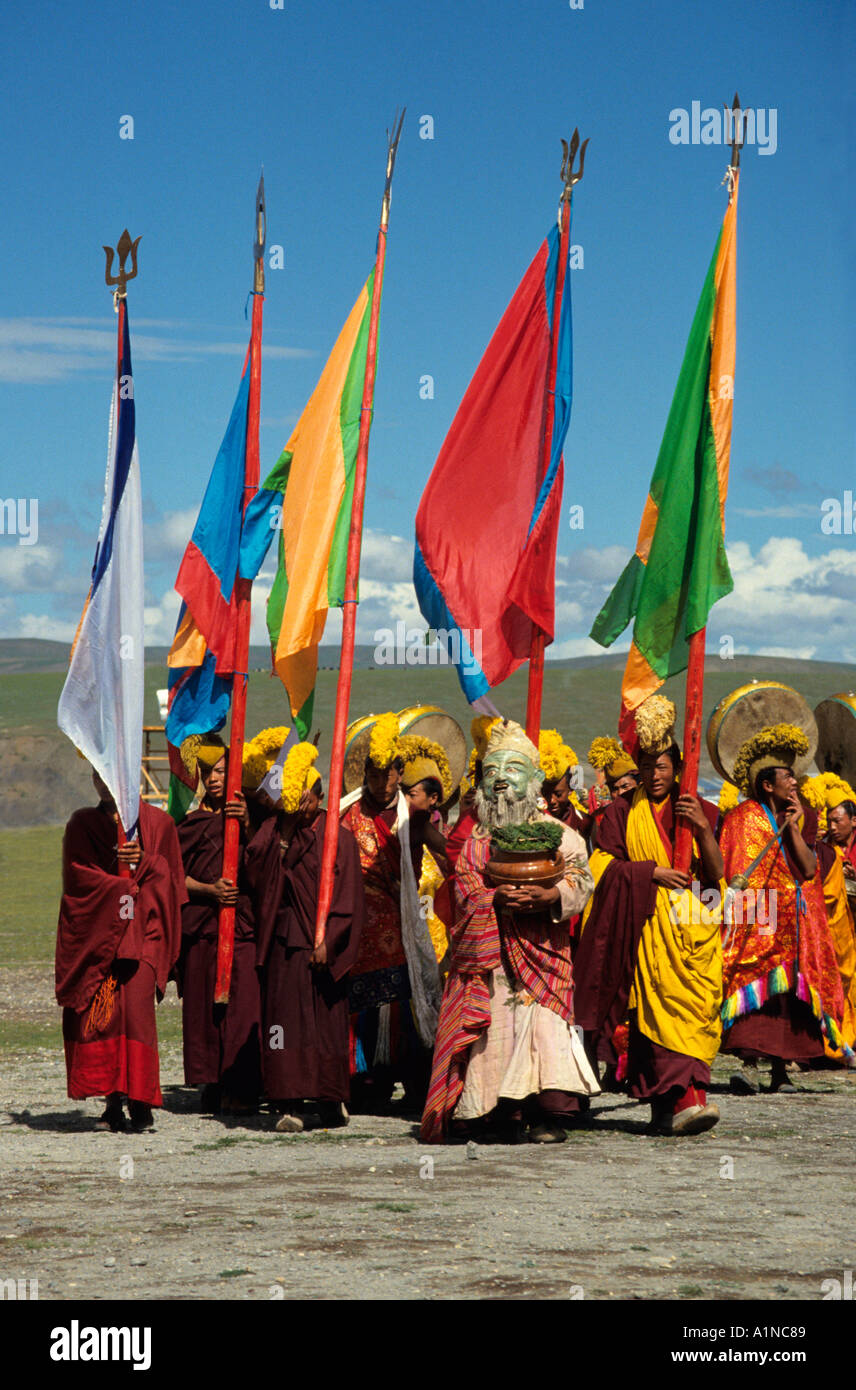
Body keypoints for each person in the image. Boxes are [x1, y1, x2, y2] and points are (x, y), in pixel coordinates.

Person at [421, 719, 598, 1145]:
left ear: (535, 780)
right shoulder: (475, 843)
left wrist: (550, 895)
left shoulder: (562, 835)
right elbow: (463, 888)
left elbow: (582, 879)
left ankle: (546, 1113)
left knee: (542, 1026)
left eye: (513, 770)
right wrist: (492, 901)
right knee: (496, 1029)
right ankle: (495, 1110)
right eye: (492, 771)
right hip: (491, 955)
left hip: (543, 950)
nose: (501, 780)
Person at [574, 696, 724, 1136]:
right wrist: (650, 873)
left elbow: (715, 877)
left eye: (662, 766)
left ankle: (680, 1099)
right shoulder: (621, 812)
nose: (654, 775)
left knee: (692, 1007)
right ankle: (680, 1100)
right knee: (654, 1012)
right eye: (647, 765)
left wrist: (699, 828)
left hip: (690, 928)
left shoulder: (697, 809)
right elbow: (600, 866)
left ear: (676, 767)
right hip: (644, 921)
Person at [243, 737, 367, 1132]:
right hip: (284, 944)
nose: (304, 804)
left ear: (319, 795)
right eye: (296, 797)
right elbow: (257, 877)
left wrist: (329, 940)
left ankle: (330, 1099)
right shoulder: (274, 830)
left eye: (309, 797)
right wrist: (283, 835)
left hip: (323, 946)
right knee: (282, 1024)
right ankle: (287, 1100)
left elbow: (348, 894)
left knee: (326, 1025)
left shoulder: (338, 838)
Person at [55, 770, 186, 1133]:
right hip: (100, 937)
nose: (102, 781)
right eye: (96, 774)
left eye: (111, 774)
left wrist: (143, 861)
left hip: (144, 935)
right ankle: (112, 1101)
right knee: (105, 1015)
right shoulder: (82, 823)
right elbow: (78, 878)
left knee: (137, 1016)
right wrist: (121, 885)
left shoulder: (159, 823)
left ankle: (142, 1102)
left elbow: (169, 880)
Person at [719, 727, 847, 1093]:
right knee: (757, 995)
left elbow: (807, 870)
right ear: (767, 786)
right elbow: (740, 868)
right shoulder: (743, 818)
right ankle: (749, 1066)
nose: (794, 781)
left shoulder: (797, 817)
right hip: (758, 921)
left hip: (793, 924)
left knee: (786, 1001)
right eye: (787, 776)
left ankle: (779, 1071)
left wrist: (791, 826)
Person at [341, 712, 443, 1112]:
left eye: (388, 773)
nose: (380, 781)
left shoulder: (413, 818)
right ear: (364, 772)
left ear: (400, 773)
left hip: (402, 923)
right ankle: (365, 1082)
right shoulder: (347, 814)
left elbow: (448, 853)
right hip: (358, 927)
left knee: (407, 1002)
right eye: (373, 772)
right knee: (361, 1006)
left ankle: (416, 1082)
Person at [175, 734, 263, 1115]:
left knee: (244, 1007)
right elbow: (172, 876)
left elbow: (268, 866)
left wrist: (247, 824)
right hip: (203, 930)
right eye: (207, 772)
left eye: (221, 771)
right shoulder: (190, 823)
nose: (213, 778)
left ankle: (241, 1085)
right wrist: (209, 890)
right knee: (203, 1008)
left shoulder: (253, 816)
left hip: (242, 928)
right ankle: (211, 1082)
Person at [539, 729, 592, 839]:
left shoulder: (584, 822)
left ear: (571, 788)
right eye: (546, 794)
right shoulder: (533, 822)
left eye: (558, 794)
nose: (551, 801)